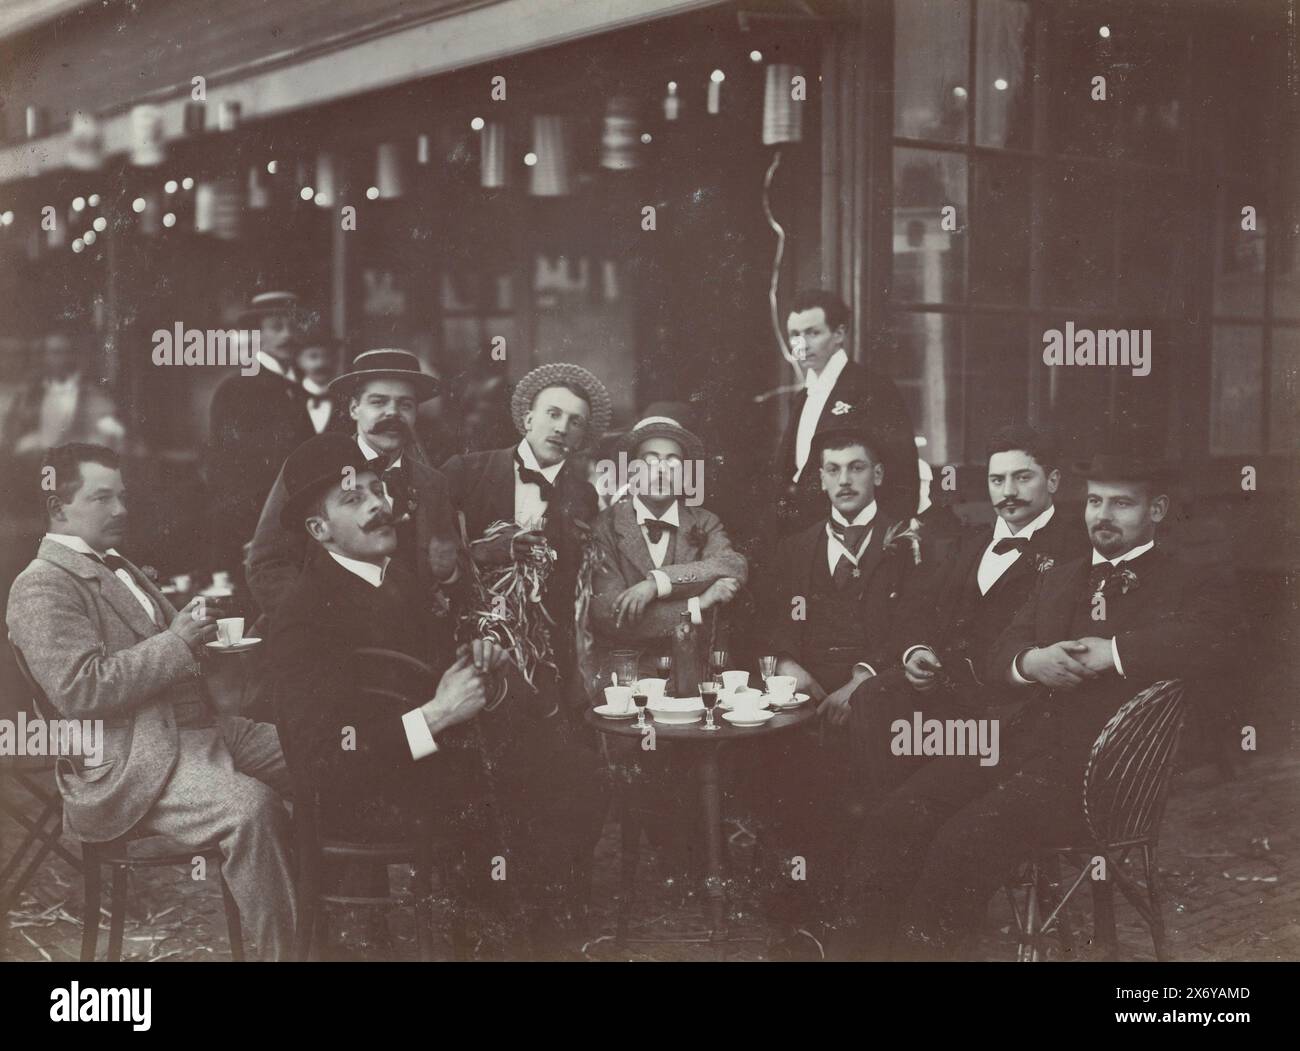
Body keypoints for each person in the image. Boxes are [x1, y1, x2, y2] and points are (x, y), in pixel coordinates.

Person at [838, 451, 1239, 960]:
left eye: (1122, 504)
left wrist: (1112, 653)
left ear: (1156, 510)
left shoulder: (1188, 580)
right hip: (1015, 746)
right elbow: (999, 652)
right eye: (1095, 502)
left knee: (962, 841)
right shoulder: (1061, 577)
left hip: (1102, 777)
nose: (1103, 516)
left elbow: (1216, 641)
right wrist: (1031, 661)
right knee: (896, 815)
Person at [6, 443, 296, 960]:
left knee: (316, 751)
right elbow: (81, 690)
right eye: (102, 498)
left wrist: (209, 642)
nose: (121, 510)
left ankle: (342, 906)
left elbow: (171, 654)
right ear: (58, 508)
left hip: (202, 731)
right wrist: (177, 642)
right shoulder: (41, 585)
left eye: (122, 497)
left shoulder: (118, 565)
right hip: (134, 759)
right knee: (252, 809)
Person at [756, 408, 926, 954]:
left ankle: (863, 912)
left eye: (857, 468)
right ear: (821, 478)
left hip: (881, 694)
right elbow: (774, 623)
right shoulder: (796, 548)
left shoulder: (908, 544)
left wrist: (863, 681)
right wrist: (788, 665)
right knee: (784, 769)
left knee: (865, 778)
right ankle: (805, 908)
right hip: (806, 693)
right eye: (834, 469)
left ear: (877, 475)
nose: (845, 480)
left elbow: (918, 627)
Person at [849, 424, 1090, 791]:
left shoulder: (1074, 550)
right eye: (997, 480)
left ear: (1053, 481)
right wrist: (917, 650)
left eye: (1023, 478)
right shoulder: (972, 542)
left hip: (1009, 708)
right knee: (875, 697)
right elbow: (918, 609)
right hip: (946, 693)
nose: (1008, 492)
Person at [247, 349, 461, 625]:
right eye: (378, 402)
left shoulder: (432, 483)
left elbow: (450, 566)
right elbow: (268, 564)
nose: (393, 414)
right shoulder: (312, 468)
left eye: (405, 405)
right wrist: (312, 623)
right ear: (353, 409)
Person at [588, 415, 748, 683]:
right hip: (629, 677)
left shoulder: (704, 521)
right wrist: (698, 604)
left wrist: (657, 583)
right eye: (650, 460)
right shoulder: (604, 527)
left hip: (701, 672)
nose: (661, 470)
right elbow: (611, 615)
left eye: (672, 461)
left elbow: (733, 565)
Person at [772, 290, 918, 536]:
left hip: (853, 536)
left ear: (839, 334)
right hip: (803, 537)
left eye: (813, 333)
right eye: (795, 335)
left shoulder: (872, 388)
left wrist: (884, 540)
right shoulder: (802, 397)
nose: (801, 345)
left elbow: (903, 475)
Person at [206, 291, 315, 576]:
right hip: (255, 532)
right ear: (257, 336)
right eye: (277, 327)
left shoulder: (298, 387)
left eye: (293, 326)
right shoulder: (239, 389)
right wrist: (254, 533)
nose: (287, 336)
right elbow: (229, 473)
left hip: (295, 527)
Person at [2, 324, 124, 455]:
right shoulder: (30, 393)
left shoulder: (91, 394)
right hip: (33, 465)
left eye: (67, 352)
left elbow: (108, 435)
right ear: (44, 357)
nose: (63, 359)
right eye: (55, 353)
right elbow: (12, 433)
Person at [295, 327, 340, 435]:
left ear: (336, 361)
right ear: (299, 361)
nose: (321, 363)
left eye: (327, 356)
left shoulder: (344, 400)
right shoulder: (290, 397)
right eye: (313, 357)